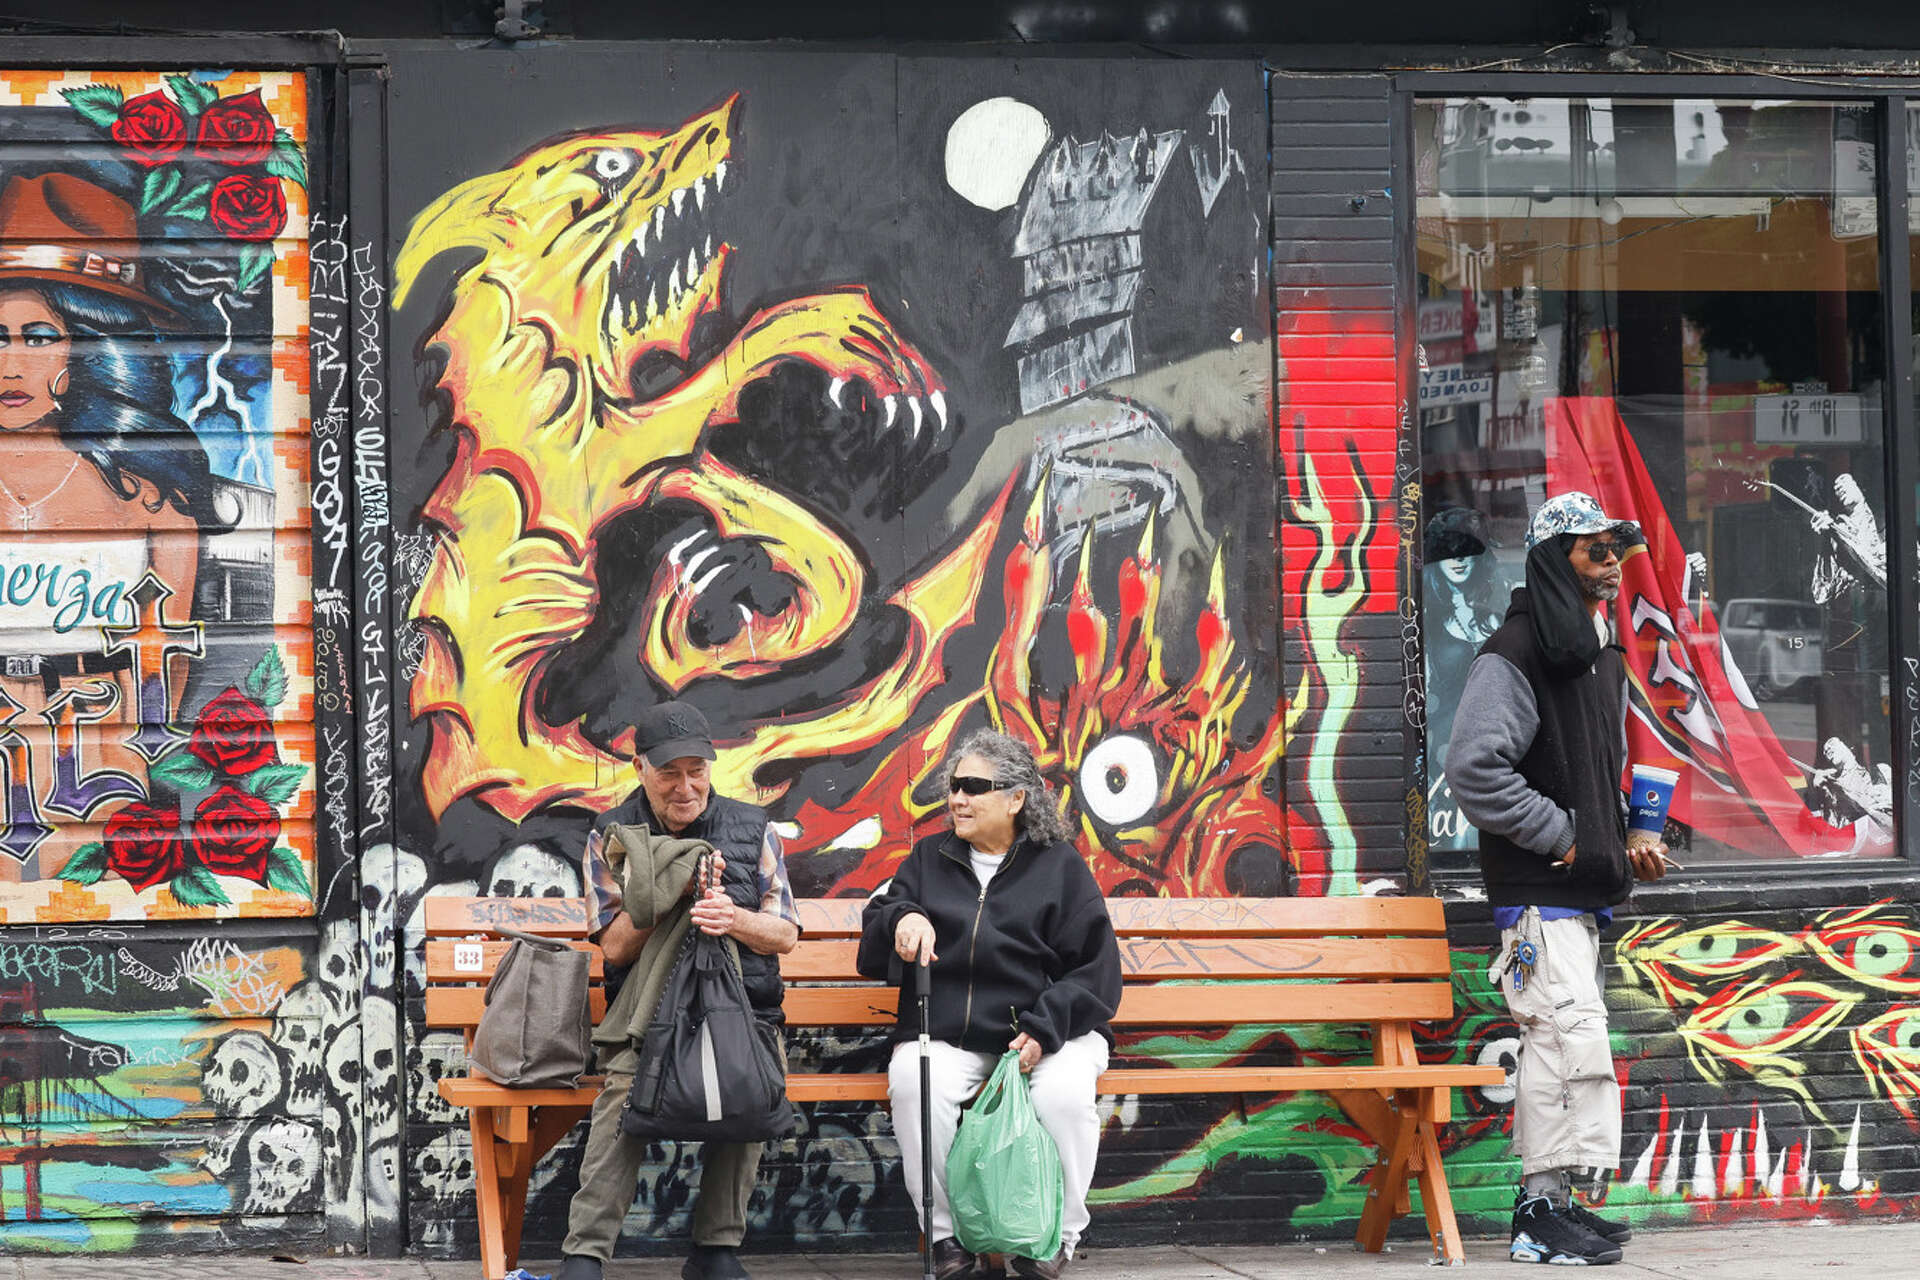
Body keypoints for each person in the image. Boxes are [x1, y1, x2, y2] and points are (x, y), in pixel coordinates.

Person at [1445, 490, 1671, 1267]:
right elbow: (1475, 771)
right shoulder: (1515, 651)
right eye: (1595, 550)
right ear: (1552, 560)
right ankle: (1538, 1218)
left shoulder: (1596, 652)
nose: (1613, 564)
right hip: (1539, 895)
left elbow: (1585, 769)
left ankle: (1552, 1206)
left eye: (1618, 550)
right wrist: (1570, 840)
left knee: (1559, 1050)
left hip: (1578, 893)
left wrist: (1628, 832)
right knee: (1566, 1044)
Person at [0, 172, 228, 855]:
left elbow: (168, 682)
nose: (11, 364)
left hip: (96, 800)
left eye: (38, 336)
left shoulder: (153, 502)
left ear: (91, 348)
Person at [856, 729, 1121, 1280]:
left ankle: (1056, 1238)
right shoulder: (930, 858)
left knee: (1068, 1095)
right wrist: (902, 917)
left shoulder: (1060, 867)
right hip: (953, 1034)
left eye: (974, 787)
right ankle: (949, 1239)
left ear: (1017, 797)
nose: (957, 799)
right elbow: (883, 914)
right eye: (954, 786)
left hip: (1050, 1034)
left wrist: (1045, 1030)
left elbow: (1095, 971)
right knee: (914, 1079)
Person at [557, 700, 801, 1280]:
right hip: (646, 1016)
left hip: (742, 1013)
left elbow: (785, 933)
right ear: (641, 769)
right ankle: (585, 1254)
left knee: (750, 1083)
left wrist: (731, 916)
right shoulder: (611, 836)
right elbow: (613, 947)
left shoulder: (754, 829)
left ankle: (716, 1250)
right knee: (623, 1094)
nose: (685, 788)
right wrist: (672, 886)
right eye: (669, 773)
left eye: (697, 771)